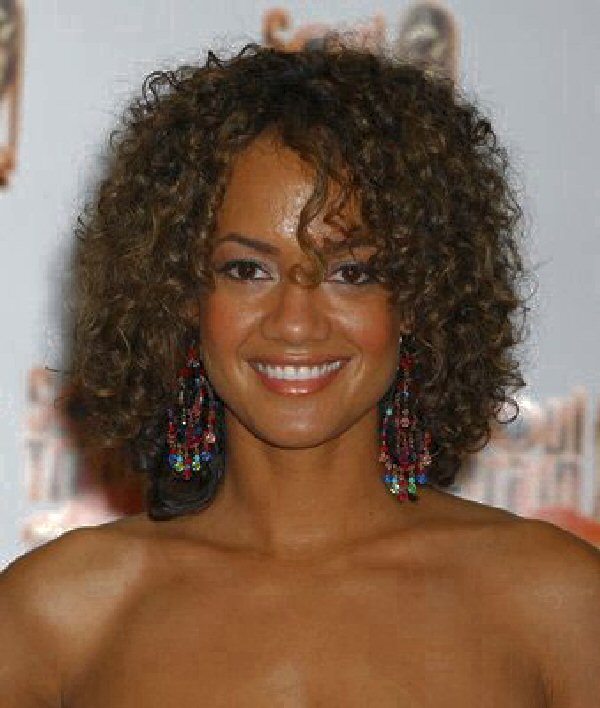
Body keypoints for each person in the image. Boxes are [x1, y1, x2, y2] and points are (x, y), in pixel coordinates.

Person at [2, 43, 599, 707]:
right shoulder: (54, 617)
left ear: (420, 298)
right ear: (180, 294)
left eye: (352, 272)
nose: (295, 323)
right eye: (246, 270)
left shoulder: (558, 604)